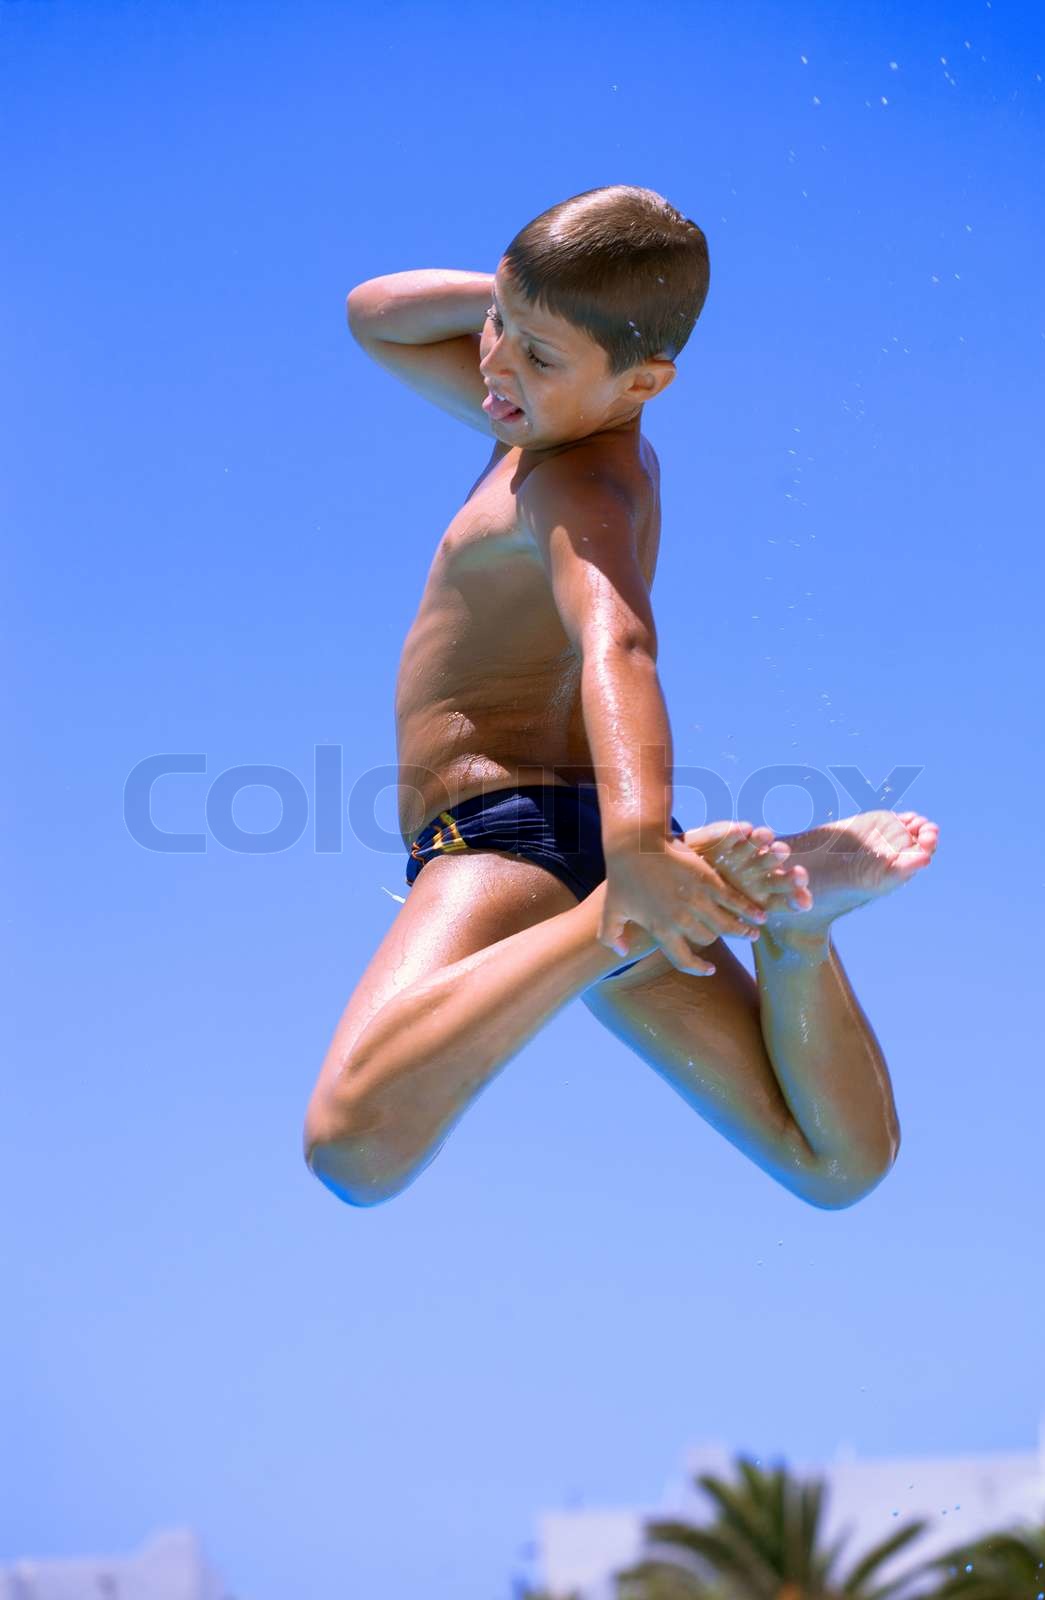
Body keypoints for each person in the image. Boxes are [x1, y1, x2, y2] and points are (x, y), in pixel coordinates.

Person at [303, 185, 938, 1210]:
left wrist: (638, 852)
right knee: (833, 1164)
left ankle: (617, 912)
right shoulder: (543, 418)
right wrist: (527, 305)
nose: (494, 364)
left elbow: (620, 643)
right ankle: (795, 931)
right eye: (496, 327)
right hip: (605, 844)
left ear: (642, 380)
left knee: (351, 1147)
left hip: (515, 838)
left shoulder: (574, 485)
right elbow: (374, 313)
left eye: (537, 353)